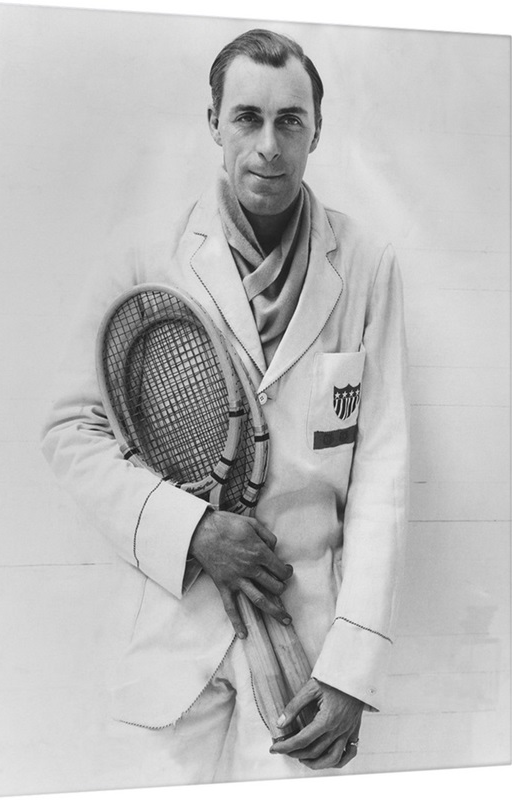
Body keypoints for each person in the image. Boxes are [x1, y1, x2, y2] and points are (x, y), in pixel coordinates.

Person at [42, 28, 408, 785]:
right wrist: (196, 530)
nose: (269, 145)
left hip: (305, 656)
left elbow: (383, 469)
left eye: (290, 121)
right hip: (176, 643)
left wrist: (351, 666)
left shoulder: (368, 265)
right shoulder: (147, 253)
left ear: (317, 129)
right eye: (247, 117)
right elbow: (72, 433)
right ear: (214, 122)